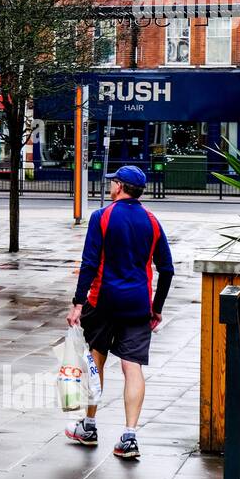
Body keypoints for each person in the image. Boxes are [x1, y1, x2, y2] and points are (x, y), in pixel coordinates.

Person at [64, 165, 173, 459]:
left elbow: (89, 264)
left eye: (114, 181)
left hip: (103, 302)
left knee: (96, 360)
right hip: (139, 305)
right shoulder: (152, 221)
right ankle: (129, 436)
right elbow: (167, 269)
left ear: (120, 187)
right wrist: (157, 307)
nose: (111, 185)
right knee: (132, 366)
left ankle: (88, 426)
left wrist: (77, 303)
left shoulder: (102, 217)